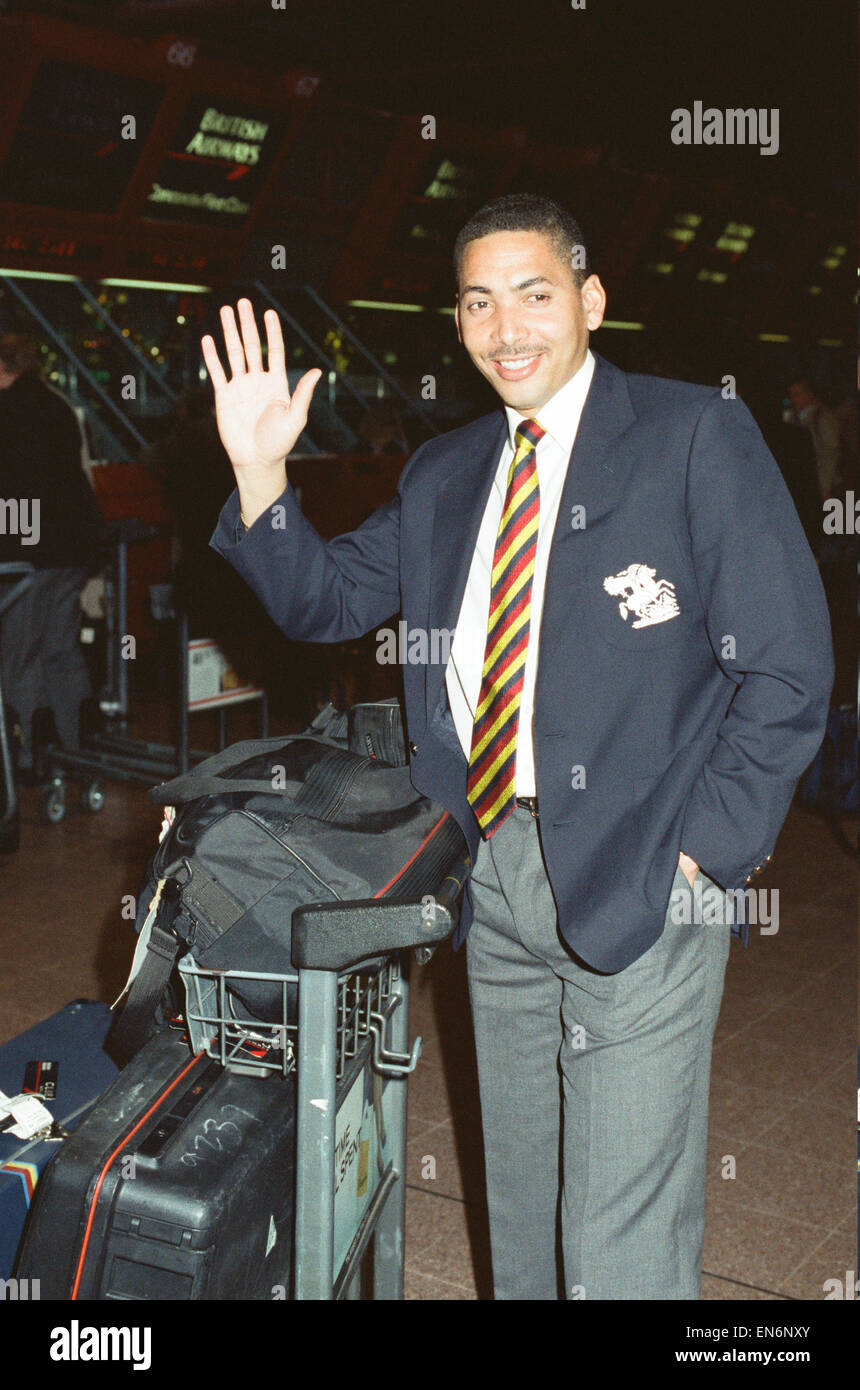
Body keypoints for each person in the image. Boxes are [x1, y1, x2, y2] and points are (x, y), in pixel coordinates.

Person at [203, 194, 833, 1300]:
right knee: (523, 1200)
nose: (508, 328)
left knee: (617, 1237)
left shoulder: (691, 435)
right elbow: (323, 599)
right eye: (479, 301)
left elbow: (786, 667)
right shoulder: (445, 474)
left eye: (534, 294)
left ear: (589, 300)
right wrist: (262, 475)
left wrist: (700, 855)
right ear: (456, 323)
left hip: (644, 875)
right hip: (488, 874)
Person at [0, 334, 106, 772]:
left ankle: (27, 759)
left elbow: (12, 489)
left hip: (29, 551)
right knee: (62, 649)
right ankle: (77, 748)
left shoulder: (7, 410)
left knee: (20, 654)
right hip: (74, 547)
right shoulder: (59, 404)